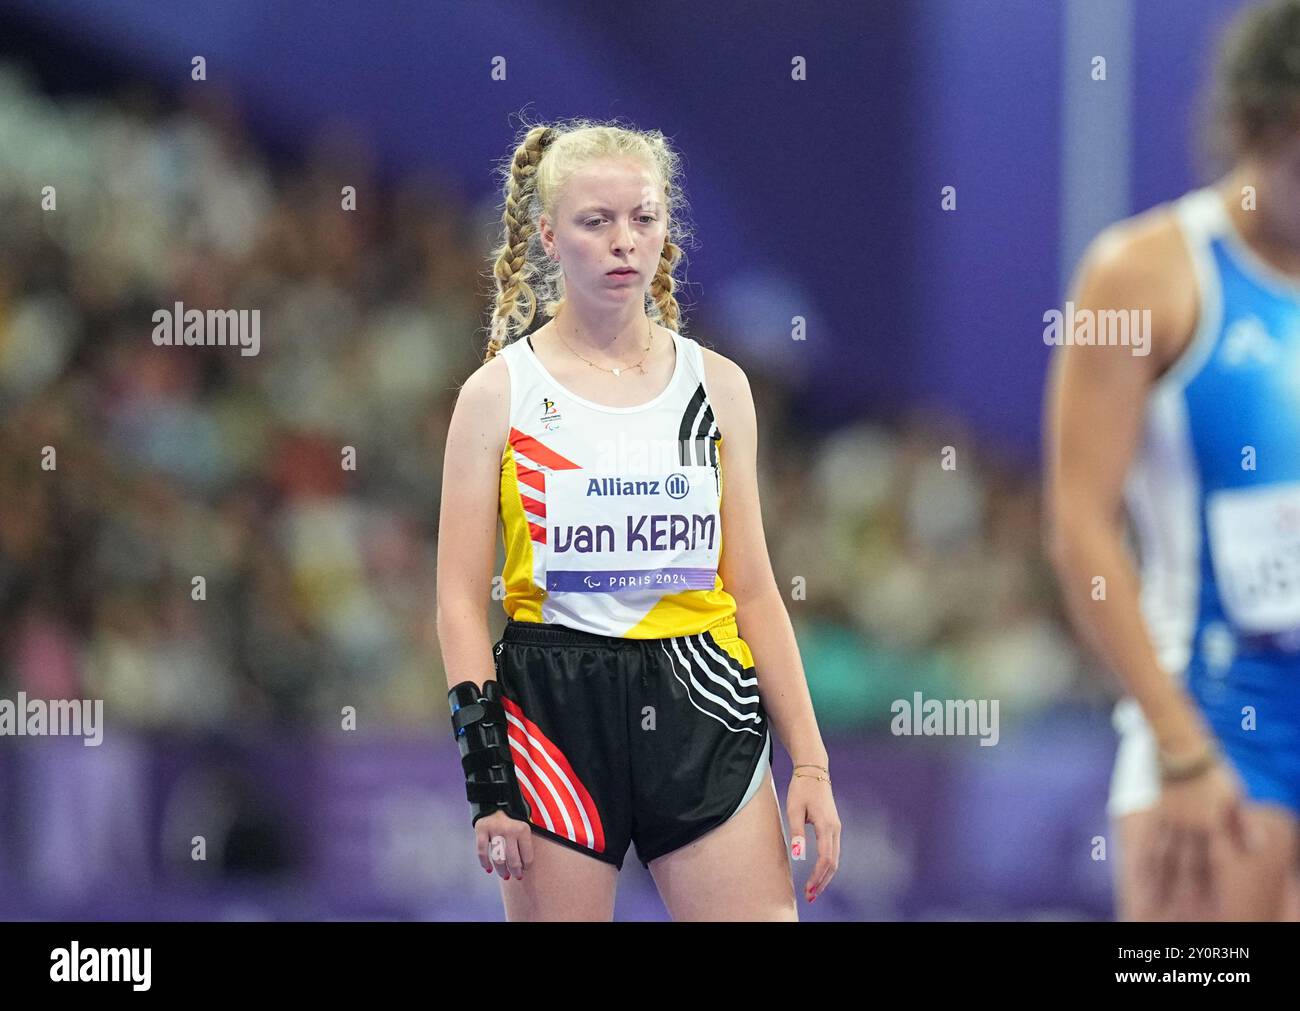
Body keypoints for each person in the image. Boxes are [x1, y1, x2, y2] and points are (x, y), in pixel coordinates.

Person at [436, 118, 839, 920]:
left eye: (643, 218)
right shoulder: (498, 394)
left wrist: (814, 767)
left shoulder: (718, 387)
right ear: (550, 235)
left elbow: (753, 588)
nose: (625, 241)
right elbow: (455, 600)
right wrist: (489, 785)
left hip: (702, 696)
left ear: (666, 229)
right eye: (597, 221)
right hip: (554, 709)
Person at [1045, 0, 1300, 921]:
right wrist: (1179, 742)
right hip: (1221, 720)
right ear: (1260, 126)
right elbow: (1080, 525)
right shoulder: (1146, 273)